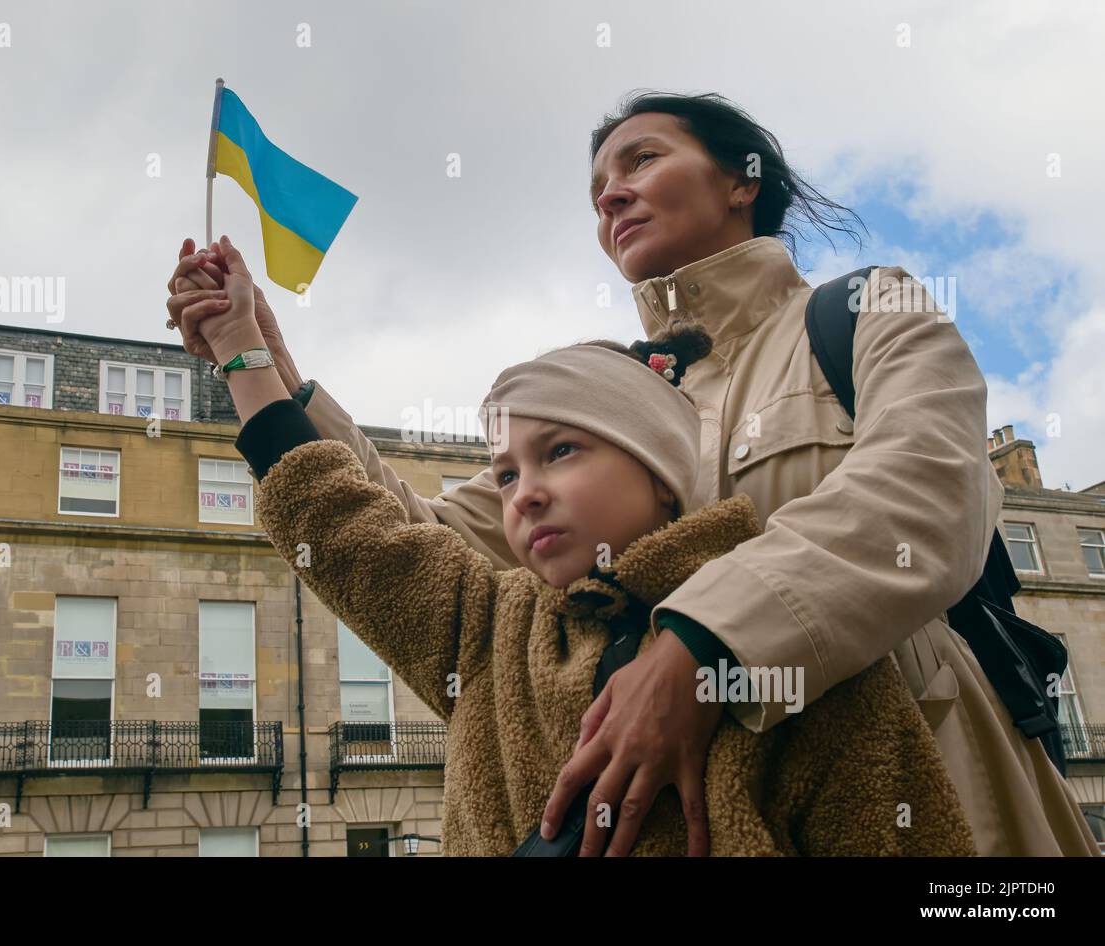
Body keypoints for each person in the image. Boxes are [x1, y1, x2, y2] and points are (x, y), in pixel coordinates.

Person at [167, 91, 1099, 857]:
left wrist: (703, 649)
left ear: (744, 180)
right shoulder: (605, 393)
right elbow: (420, 549)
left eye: (642, 161)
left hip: (929, 790)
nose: (611, 196)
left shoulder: (866, 311)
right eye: (597, 189)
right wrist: (268, 366)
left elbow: (928, 493)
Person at [179, 234, 976, 856]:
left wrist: (702, 652)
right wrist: (247, 353)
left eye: (562, 451)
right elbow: (347, 523)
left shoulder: (802, 664)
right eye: (503, 473)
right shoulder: (487, 627)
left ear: (666, 472)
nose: (520, 490)